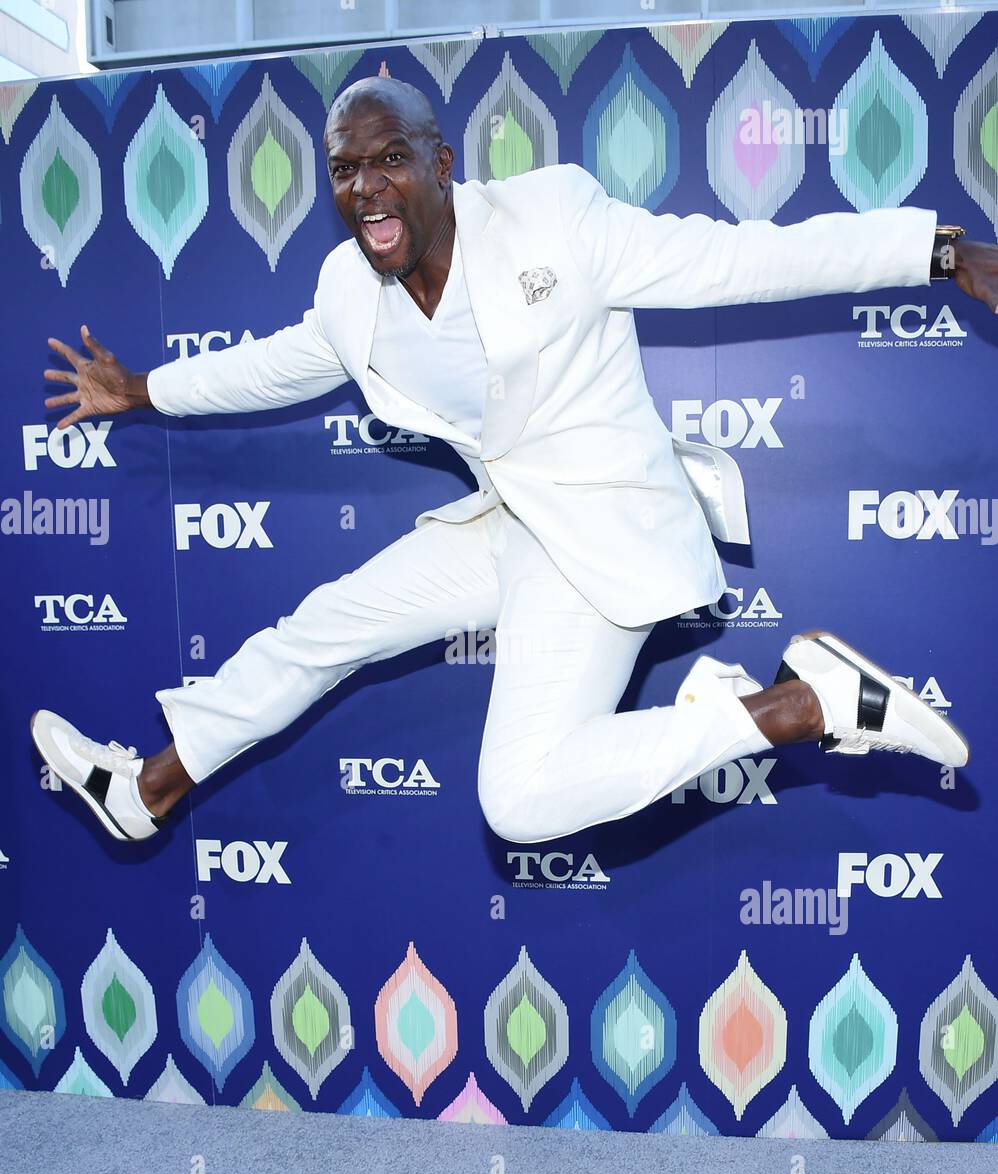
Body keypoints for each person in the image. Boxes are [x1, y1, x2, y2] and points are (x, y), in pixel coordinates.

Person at [32, 75, 992, 845]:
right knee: (323, 630)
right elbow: (277, 367)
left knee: (522, 803)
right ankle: (147, 785)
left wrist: (938, 251)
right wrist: (145, 389)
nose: (364, 187)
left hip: (596, 534)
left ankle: (793, 706)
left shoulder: (558, 223)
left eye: (389, 160)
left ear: (443, 164)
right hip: (509, 518)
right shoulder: (348, 288)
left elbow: (745, 259)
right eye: (344, 169)